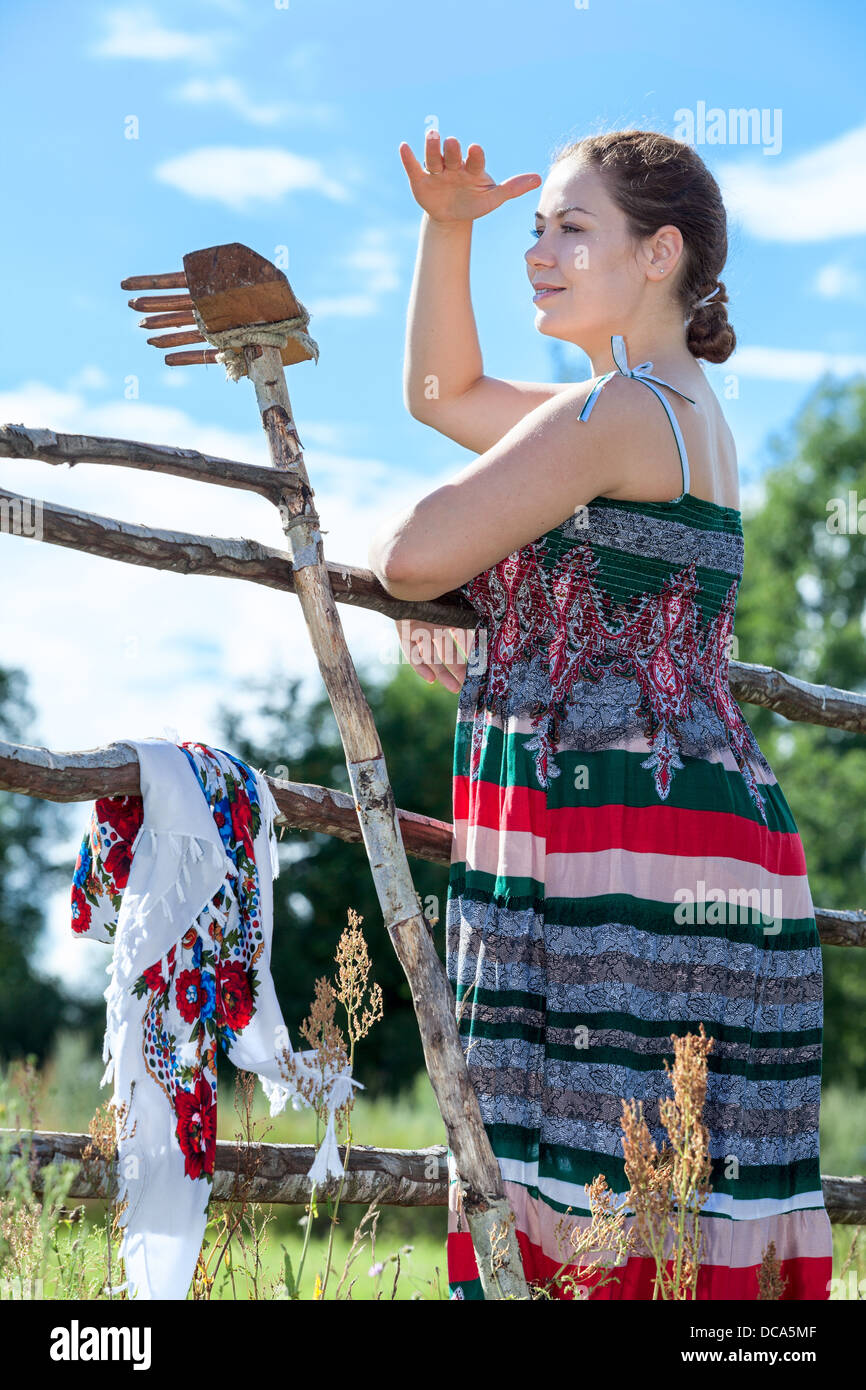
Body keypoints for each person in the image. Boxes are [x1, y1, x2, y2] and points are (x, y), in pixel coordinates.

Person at [368, 127, 833, 1300]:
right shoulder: (671, 408)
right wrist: (448, 226)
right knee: (662, 1169)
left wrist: (484, 595)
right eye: (535, 229)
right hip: (682, 818)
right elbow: (445, 398)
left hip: (621, 832)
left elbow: (411, 552)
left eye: (571, 228)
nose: (542, 252)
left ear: (657, 253)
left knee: (594, 1161)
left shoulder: (623, 410)